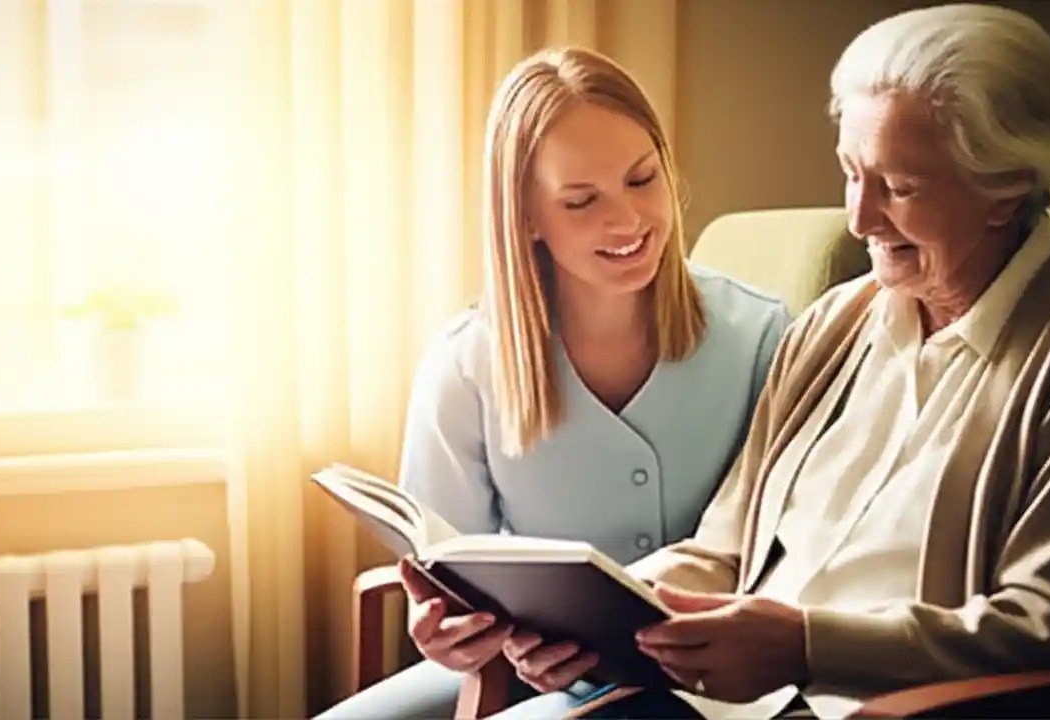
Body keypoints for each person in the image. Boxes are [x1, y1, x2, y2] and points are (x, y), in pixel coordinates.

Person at [494, 5, 1050, 718]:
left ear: (1005, 188)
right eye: (850, 173)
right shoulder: (834, 323)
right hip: (722, 701)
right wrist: (593, 619)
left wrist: (806, 645)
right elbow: (723, 551)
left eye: (899, 187)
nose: (859, 219)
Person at [317, 47, 790, 719]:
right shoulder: (465, 366)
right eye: (581, 201)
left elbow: (803, 554)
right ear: (527, 217)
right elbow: (444, 587)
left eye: (642, 179)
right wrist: (452, 639)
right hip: (527, 675)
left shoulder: (763, 336)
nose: (626, 220)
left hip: (713, 689)